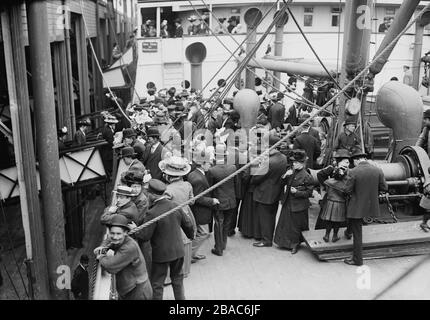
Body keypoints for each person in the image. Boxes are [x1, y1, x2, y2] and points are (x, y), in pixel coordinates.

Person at [135, 179, 194, 300]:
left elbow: (144, 236)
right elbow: (188, 225)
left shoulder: (152, 213)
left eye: (148, 193)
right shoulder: (175, 205)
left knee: (157, 284)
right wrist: (190, 236)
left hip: (161, 255)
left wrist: (135, 230)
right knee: (177, 281)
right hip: (178, 251)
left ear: (151, 195)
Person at [343, 149, 388, 266]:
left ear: (357, 160)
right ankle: (348, 232)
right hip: (370, 205)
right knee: (353, 224)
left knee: (358, 233)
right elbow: (384, 187)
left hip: (357, 205)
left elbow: (347, 190)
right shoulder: (378, 170)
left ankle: (357, 260)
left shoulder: (353, 172)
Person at [95, 215, 152, 300]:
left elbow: (110, 266)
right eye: (112, 233)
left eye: (118, 234)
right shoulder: (120, 240)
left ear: (125, 233)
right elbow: (108, 240)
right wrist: (102, 248)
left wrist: (100, 256)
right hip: (128, 289)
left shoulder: (129, 247)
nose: (115, 237)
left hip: (138, 292)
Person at [159, 156, 197, 276]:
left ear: (168, 176)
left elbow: (164, 207)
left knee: (175, 244)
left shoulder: (167, 190)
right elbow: (192, 201)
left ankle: (174, 273)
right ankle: (185, 270)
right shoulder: (188, 185)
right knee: (187, 242)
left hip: (174, 219)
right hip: (187, 214)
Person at [274, 149, 314, 254]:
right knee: (285, 224)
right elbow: (281, 183)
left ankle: (295, 245)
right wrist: (285, 175)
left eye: (296, 162)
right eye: (293, 162)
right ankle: (284, 242)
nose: (294, 164)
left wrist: (297, 192)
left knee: (295, 227)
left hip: (299, 205)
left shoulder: (307, 176)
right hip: (288, 202)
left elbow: (309, 193)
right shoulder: (291, 172)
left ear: (302, 163)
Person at [252, 135, 288, 248]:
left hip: (265, 193)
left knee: (265, 218)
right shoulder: (283, 158)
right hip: (276, 192)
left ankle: (266, 240)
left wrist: (258, 165)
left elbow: (255, 179)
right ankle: (268, 237)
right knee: (271, 216)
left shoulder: (268, 162)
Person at [188, 150, 219, 262]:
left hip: (196, 211)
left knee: (197, 233)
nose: (210, 165)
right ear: (202, 164)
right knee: (204, 233)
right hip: (200, 211)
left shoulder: (194, 174)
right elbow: (198, 198)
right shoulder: (199, 179)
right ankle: (188, 254)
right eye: (209, 163)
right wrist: (212, 200)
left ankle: (192, 253)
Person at [206, 144, 237, 256]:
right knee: (226, 223)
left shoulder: (212, 171)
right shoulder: (233, 168)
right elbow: (236, 185)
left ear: (215, 156)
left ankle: (218, 248)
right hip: (231, 200)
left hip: (219, 202)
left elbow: (209, 188)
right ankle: (223, 244)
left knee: (219, 223)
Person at [319, 151, 352, 243]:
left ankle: (326, 235)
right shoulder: (334, 171)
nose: (347, 164)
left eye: (348, 162)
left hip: (330, 201)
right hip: (339, 202)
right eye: (346, 162)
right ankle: (334, 236)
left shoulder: (330, 182)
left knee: (329, 220)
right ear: (339, 162)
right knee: (337, 221)